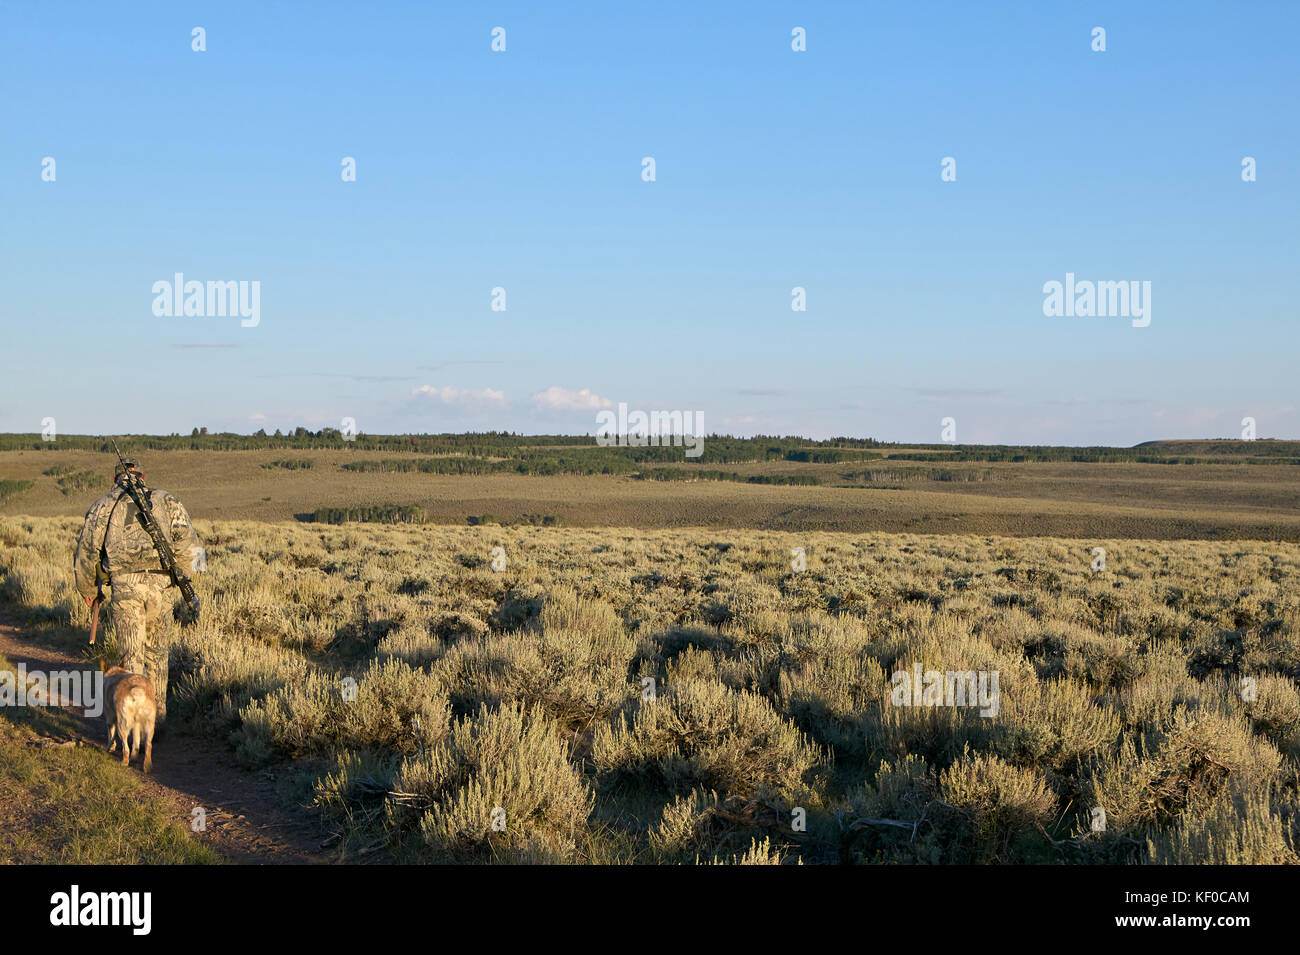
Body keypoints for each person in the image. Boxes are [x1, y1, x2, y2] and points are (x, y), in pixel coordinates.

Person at [73, 456, 203, 728]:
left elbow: (86, 550)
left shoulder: (104, 505)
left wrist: (87, 589)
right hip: (162, 587)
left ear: (115, 479)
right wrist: (182, 579)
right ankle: (157, 722)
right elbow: (190, 544)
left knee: (131, 656)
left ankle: (130, 723)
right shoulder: (168, 501)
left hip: (125, 587)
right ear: (142, 477)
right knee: (157, 655)